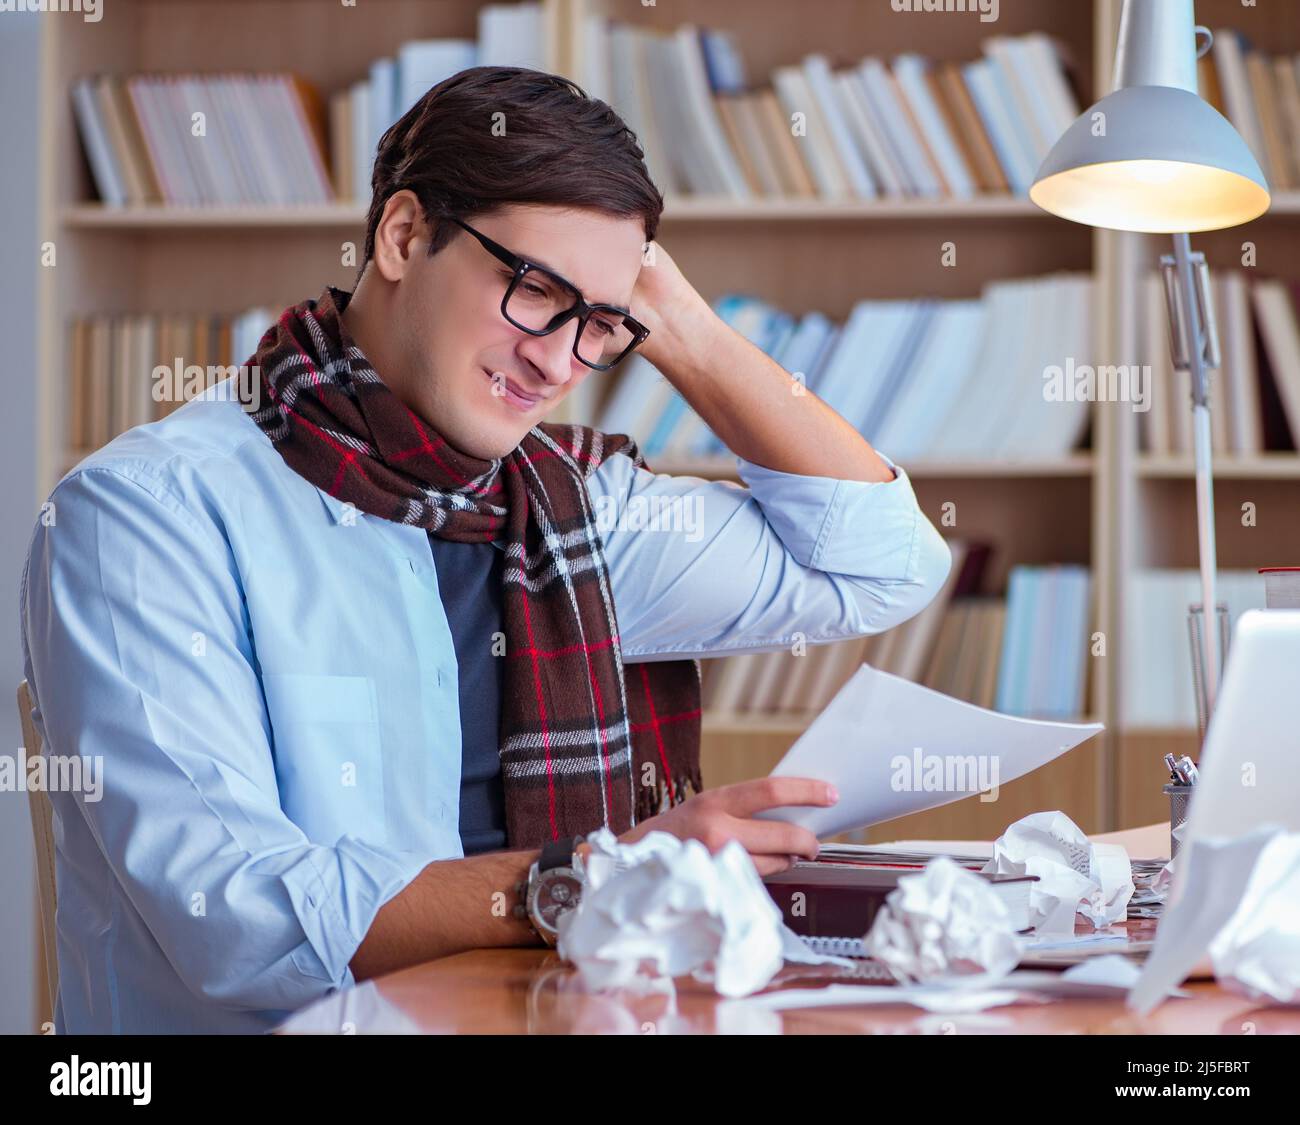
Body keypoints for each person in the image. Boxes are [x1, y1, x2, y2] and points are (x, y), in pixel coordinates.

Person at [19, 67, 951, 1033]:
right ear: (404, 235)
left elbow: (883, 561)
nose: (557, 361)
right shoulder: (142, 517)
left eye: (600, 324)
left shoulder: (573, 513)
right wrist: (587, 879)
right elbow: (240, 917)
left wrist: (683, 329)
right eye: (536, 290)